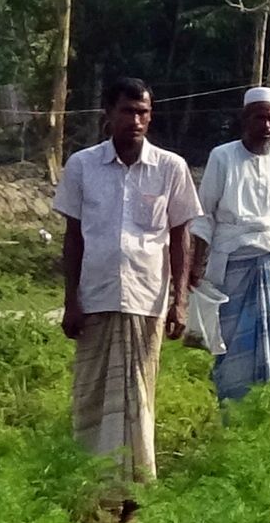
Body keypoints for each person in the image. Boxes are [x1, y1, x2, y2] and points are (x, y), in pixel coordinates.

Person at [53, 75, 202, 486]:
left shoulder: (170, 168)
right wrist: (71, 300)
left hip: (145, 301)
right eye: (128, 111)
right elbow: (73, 237)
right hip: (95, 298)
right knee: (91, 397)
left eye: (143, 112)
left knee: (138, 398)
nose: (136, 120)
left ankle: (135, 493)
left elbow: (180, 237)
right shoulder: (83, 165)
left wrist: (180, 302)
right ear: (109, 114)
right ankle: (90, 486)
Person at [194, 84, 270, 404]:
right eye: (260, 118)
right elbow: (204, 216)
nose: (266, 125)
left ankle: (260, 412)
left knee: (262, 343)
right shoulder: (222, 156)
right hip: (230, 263)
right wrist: (194, 266)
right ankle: (230, 411)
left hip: (268, 262)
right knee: (231, 347)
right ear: (245, 118)